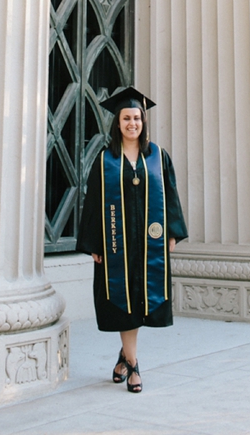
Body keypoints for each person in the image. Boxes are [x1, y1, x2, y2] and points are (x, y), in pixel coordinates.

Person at [76, 87, 188, 393]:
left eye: (137, 117)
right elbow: (93, 204)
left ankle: (125, 358)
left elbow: (171, 196)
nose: (132, 123)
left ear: (143, 121)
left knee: (139, 302)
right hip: (117, 247)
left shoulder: (157, 156)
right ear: (117, 122)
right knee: (124, 304)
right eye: (126, 118)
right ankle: (135, 365)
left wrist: (173, 232)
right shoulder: (105, 160)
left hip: (148, 244)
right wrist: (95, 244)